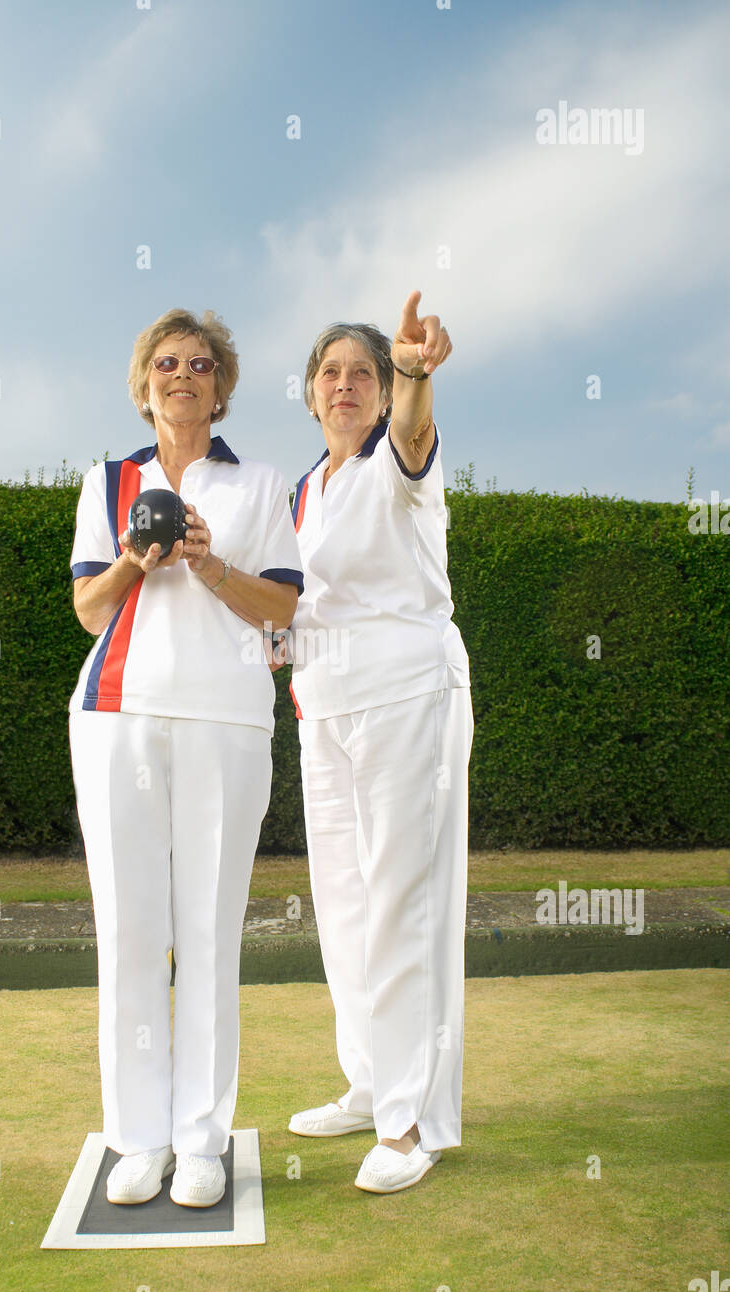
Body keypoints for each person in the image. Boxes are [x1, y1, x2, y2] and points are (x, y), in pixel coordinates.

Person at [68, 308, 302, 1208]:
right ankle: (137, 1140)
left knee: (206, 931)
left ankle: (200, 1139)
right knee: (131, 931)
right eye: (165, 363)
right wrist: (136, 559)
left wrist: (207, 564)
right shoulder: (106, 479)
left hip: (225, 721)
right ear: (144, 384)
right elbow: (91, 610)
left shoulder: (261, 483)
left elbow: (280, 610)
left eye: (200, 364)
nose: (182, 375)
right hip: (117, 715)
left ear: (221, 386)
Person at [286, 290, 473, 1194]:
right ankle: (368, 1083)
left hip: (408, 694)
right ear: (311, 396)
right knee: (345, 908)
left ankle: (411, 1124)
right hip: (323, 713)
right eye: (332, 373)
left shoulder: (401, 456)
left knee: (402, 902)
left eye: (363, 371)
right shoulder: (300, 491)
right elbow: (293, 605)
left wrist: (410, 374)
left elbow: (410, 430)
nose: (347, 384)